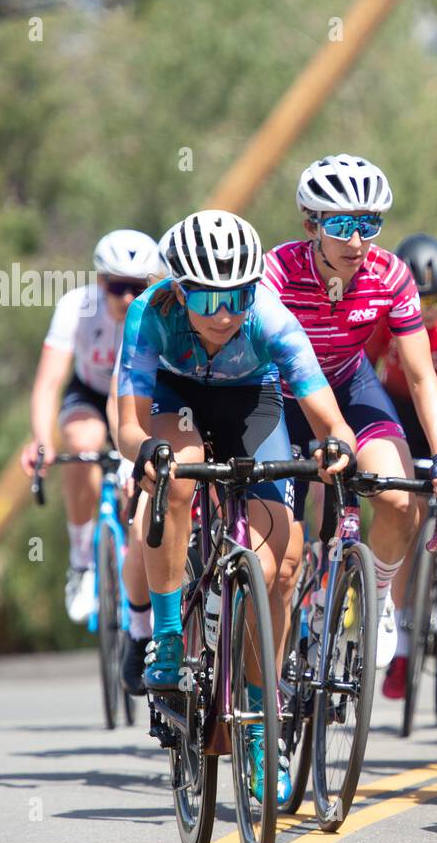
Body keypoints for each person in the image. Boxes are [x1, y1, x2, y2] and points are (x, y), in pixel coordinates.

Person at [116, 209, 357, 806]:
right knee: (175, 473)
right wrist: (145, 450)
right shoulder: (150, 314)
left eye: (238, 296)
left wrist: (337, 446)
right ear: (179, 289)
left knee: (280, 563)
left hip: (254, 403)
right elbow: (127, 425)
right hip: (178, 399)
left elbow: (329, 415)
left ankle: (258, 726)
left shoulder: (271, 319)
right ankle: (168, 638)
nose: (224, 313)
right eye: (207, 297)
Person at [263, 154, 437, 680]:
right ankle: (271, 689)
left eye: (368, 225)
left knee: (400, 498)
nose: (356, 240)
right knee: (283, 562)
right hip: (280, 398)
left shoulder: (389, 273)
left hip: (349, 386)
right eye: (341, 225)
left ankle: (377, 597)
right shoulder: (275, 271)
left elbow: (422, 379)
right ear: (311, 224)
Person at [21, 231, 162, 682]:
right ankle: (82, 560)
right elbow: (48, 382)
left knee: (139, 479)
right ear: (99, 281)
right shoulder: (76, 308)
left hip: (138, 397)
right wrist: (42, 441)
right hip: (89, 391)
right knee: (82, 447)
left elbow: (130, 398)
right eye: (116, 286)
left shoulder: (157, 309)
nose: (126, 297)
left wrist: (131, 453)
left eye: (137, 287)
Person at [363, 232, 437, 698]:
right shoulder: (385, 310)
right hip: (399, 407)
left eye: (436, 297)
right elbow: (363, 371)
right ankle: (403, 645)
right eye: (419, 298)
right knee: (407, 516)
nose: (428, 307)